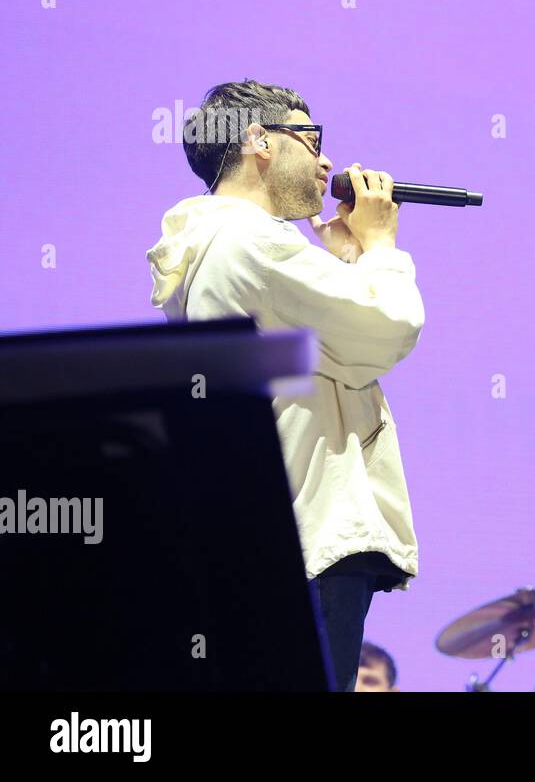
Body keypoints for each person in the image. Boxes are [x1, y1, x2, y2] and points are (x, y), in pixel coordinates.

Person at [146, 80, 425, 692]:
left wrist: (340, 266)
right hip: (310, 541)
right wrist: (380, 247)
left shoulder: (206, 246)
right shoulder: (255, 242)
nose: (327, 160)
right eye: (312, 137)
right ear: (259, 142)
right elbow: (390, 328)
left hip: (268, 541)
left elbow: (331, 355)